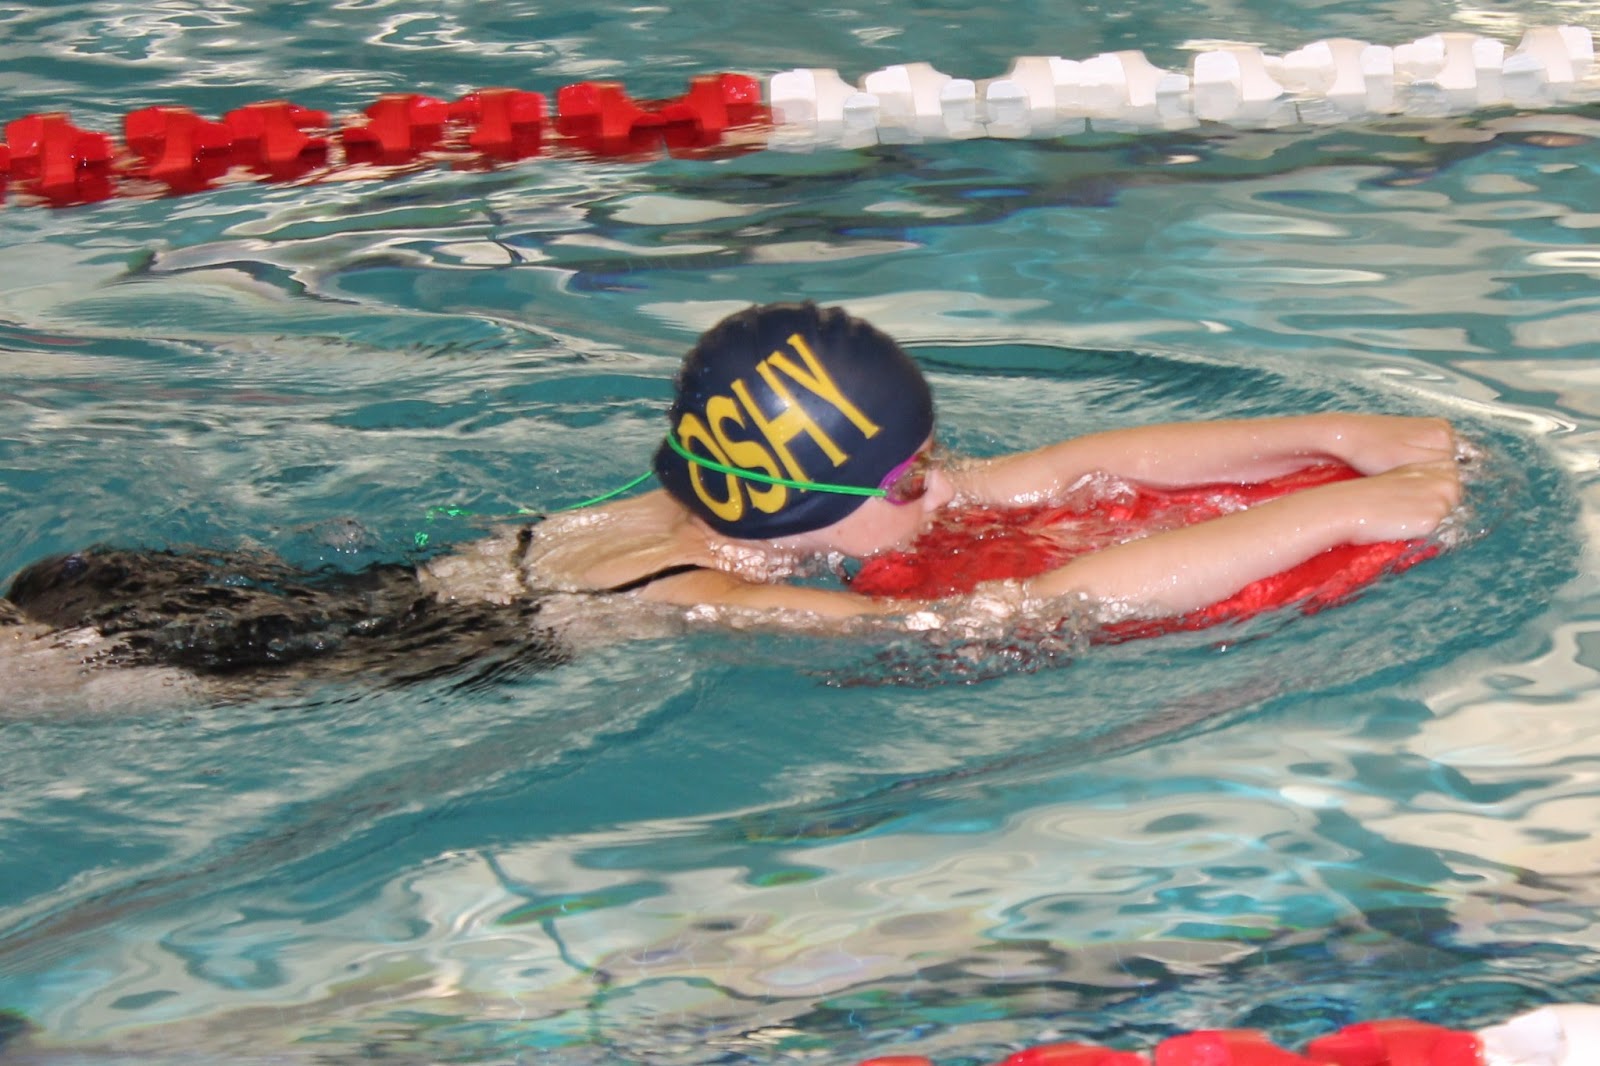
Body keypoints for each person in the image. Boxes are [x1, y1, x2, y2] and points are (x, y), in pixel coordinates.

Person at [1, 301, 1463, 698]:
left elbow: (1070, 471)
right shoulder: (698, 599)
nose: (947, 484)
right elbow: (1045, 605)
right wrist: (1337, 514)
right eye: (912, 470)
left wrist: (1342, 430)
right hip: (172, 667)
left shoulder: (701, 518)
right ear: (811, 506)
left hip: (180, 578)